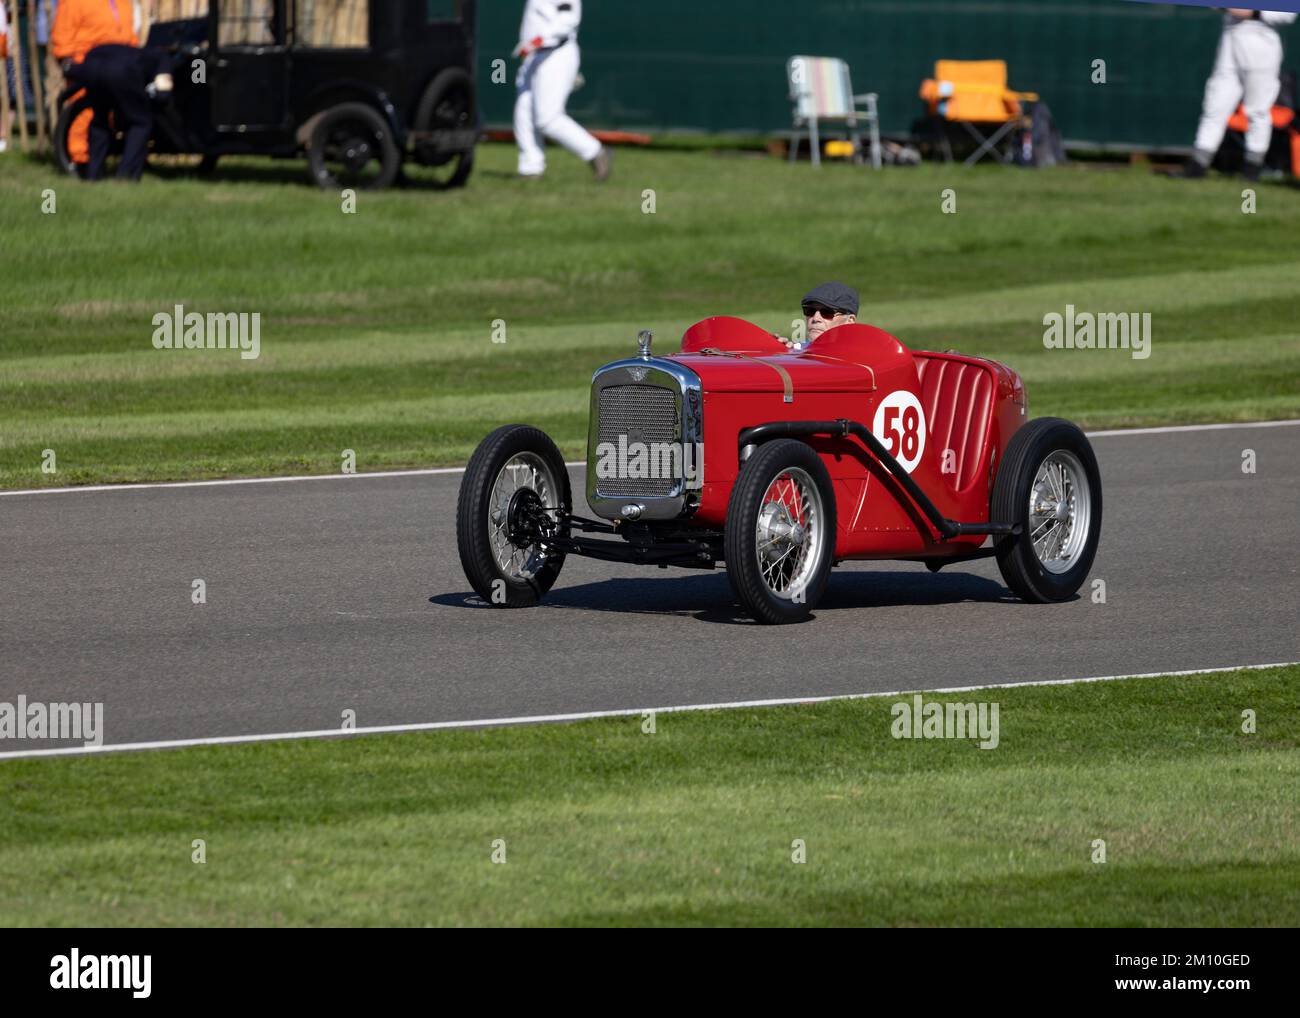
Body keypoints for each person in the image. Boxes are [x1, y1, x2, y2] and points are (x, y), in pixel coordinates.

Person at [51, 0, 170, 181]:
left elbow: (127, 35)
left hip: (119, 62)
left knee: (105, 119)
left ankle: (97, 170)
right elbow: (63, 36)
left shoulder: (121, 3)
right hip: (87, 63)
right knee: (88, 118)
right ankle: (80, 161)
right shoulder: (72, 2)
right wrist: (69, 63)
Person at [1179, 8, 1298, 181]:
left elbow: (1289, 13)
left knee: (1258, 110)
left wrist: (1253, 13)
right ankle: (1198, 165)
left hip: (1261, 42)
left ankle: (1252, 169)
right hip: (1230, 39)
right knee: (1215, 105)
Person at [514, 0, 611, 181]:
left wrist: (539, 39)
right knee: (524, 110)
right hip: (534, 56)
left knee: (548, 119)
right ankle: (530, 168)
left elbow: (568, 19)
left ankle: (596, 152)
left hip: (556, 54)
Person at [777, 282, 859, 351]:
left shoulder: (864, 357)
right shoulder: (794, 350)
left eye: (826, 312)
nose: (815, 318)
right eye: (810, 310)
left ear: (849, 321)